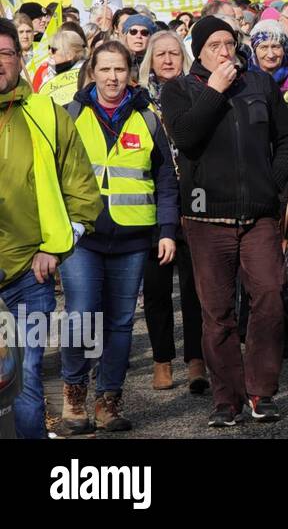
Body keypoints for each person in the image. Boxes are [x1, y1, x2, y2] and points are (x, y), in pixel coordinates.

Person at [160, 16, 288, 428]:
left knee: (269, 297)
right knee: (217, 314)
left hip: (258, 217)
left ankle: (261, 391)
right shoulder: (178, 89)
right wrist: (214, 90)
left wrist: (272, 185)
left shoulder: (259, 85)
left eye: (229, 43)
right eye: (214, 45)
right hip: (205, 218)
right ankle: (227, 399)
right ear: (198, 51)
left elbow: (286, 139)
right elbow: (185, 137)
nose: (224, 51)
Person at [59, 40, 178, 434]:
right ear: (92, 72)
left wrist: (166, 230)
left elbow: (165, 179)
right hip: (82, 237)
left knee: (121, 322)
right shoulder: (71, 114)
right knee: (80, 316)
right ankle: (74, 396)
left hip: (132, 238)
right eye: (105, 69)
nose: (113, 77)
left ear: (131, 73)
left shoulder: (148, 118)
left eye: (120, 70)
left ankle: (108, 400)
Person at [0, 18, 101, 439]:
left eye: (5, 54)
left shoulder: (45, 112)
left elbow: (82, 191)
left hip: (28, 271)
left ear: (20, 60)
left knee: (22, 380)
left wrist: (55, 248)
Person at [138, 31, 207, 394]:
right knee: (157, 288)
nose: (167, 60)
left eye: (174, 53)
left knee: (196, 286)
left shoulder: (196, 91)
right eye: (160, 54)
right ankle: (161, 360)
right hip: (152, 201)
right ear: (150, 59)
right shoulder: (139, 102)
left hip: (193, 198)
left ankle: (196, 359)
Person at [249, 19, 288, 107]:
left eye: (275, 47)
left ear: (283, 49)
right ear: (255, 50)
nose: (270, 55)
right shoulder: (243, 77)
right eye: (264, 47)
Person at [31, 28, 86, 105]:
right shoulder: (49, 73)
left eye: (53, 50)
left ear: (69, 54)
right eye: (49, 48)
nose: (49, 52)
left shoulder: (85, 74)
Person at [120, 14, 155, 83]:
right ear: (125, 36)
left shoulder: (156, 63)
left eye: (144, 33)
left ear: (151, 37)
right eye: (133, 32)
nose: (139, 36)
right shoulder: (116, 60)